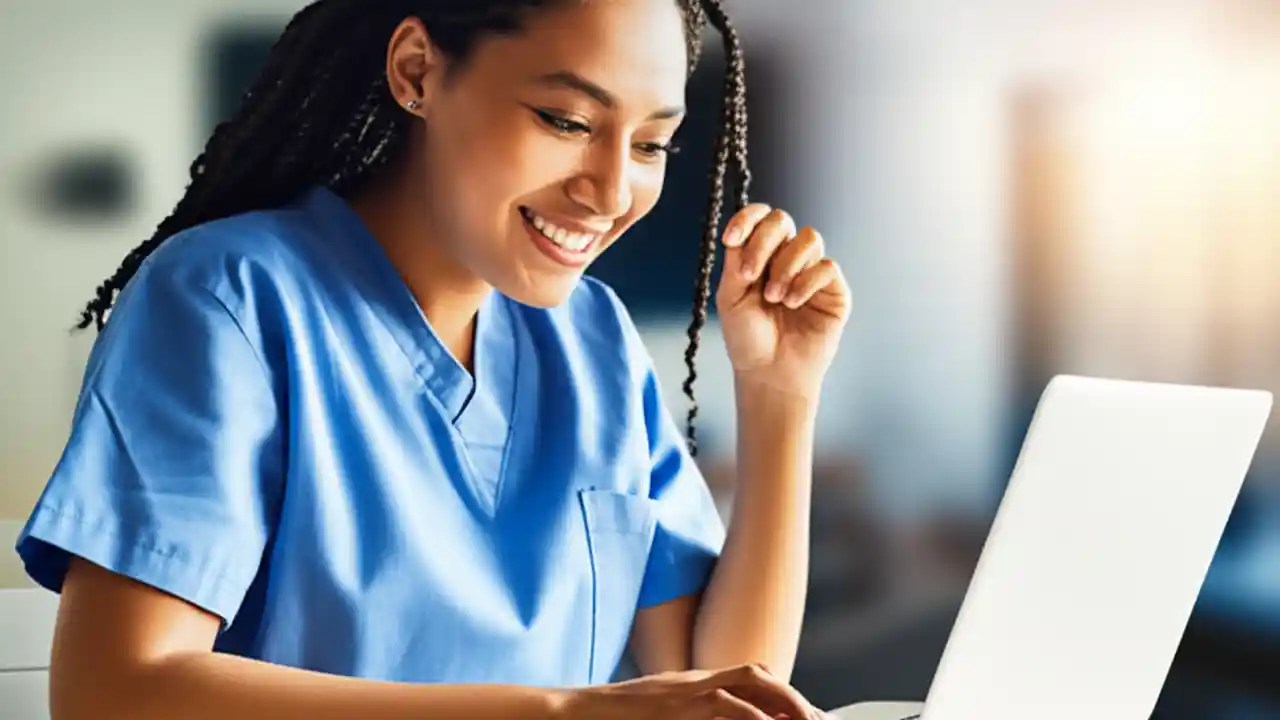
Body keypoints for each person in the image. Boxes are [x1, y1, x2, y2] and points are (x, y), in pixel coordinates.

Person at [15, 0, 851, 718]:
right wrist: (563, 712)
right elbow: (114, 690)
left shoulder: (594, 339)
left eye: (651, 145)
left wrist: (779, 394)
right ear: (416, 70)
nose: (609, 190)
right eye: (566, 121)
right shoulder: (229, 298)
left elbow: (723, 692)